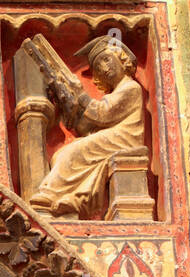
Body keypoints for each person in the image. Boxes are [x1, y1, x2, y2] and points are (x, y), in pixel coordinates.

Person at [29, 37, 146, 219]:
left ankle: (50, 194)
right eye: (99, 68)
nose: (104, 68)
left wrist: (80, 95)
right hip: (114, 137)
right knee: (61, 154)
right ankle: (71, 199)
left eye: (106, 60)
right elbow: (90, 125)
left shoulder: (131, 88)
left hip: (125, 139)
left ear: (122, 58)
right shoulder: (117, 92)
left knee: (72, 152)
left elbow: (103, 113)